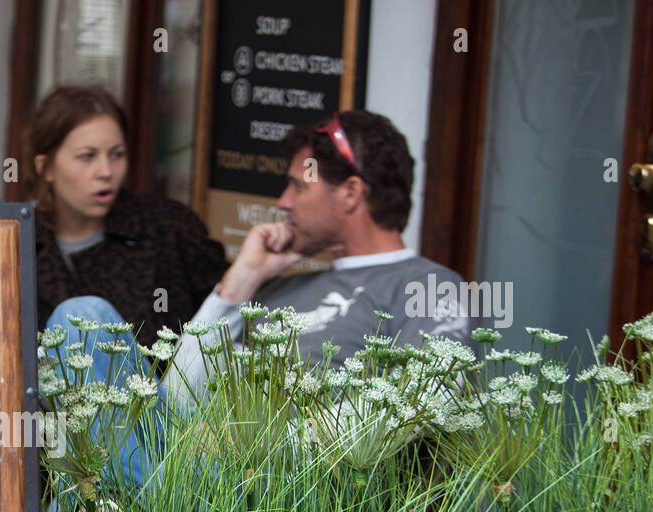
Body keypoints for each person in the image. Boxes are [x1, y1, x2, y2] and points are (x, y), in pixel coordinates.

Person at [165, 109, 473, 406]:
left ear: (351, 193)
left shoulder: (428, 286)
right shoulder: (275, 288)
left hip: (288, 457)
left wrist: (272, 441)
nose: (283, 202)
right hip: (195, 454)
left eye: (299, 187)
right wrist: (241, 280)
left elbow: (428, 396)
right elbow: (177, 397)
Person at [27, 85, 229, 349]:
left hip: (162, 388)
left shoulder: (168, 227)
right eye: (87, 156)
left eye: (116, 155)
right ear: (46, 168)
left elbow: (228, 320)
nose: (106, 171)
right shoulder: (21, 244)